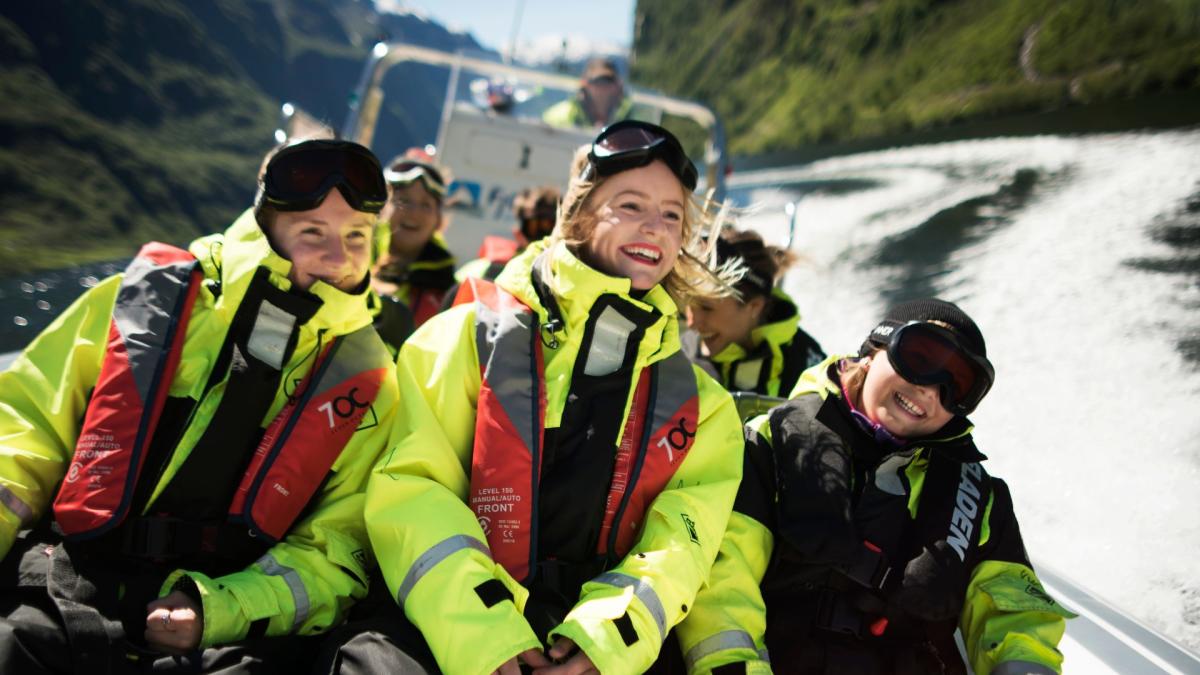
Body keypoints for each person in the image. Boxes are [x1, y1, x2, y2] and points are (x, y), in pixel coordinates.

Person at [358, 120, 747, 674]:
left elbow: (678, 548)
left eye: (671, 215)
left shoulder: (705, 408)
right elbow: (414, 493)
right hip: (447, 629)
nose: (654, 228)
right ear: (579, 214)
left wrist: (604, 644)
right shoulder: (460, 340)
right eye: (631, 206)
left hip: (596, 647)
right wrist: (484, 634)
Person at [0, 138, 400, 673]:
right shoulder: (140, 300)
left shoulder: (373, 383)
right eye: (312, 232)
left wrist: (217, 611)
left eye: (356, 235)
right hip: (68, 574)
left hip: (221, 624)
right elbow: (23, 433)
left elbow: (333, 552)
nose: (338, 257)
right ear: (265, 227)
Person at [675, 299, 1073, 674]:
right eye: (919, 358)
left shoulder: (980, 500)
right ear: (872, 352)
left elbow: (1014, 611)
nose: (930, 389)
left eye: (956, 386)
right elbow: (725, 580)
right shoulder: (768, 443)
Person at [685, 229, 825, 401]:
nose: (691, 323)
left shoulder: (806, 368)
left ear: (754, 306)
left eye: (706, 308)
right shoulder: (680, 352)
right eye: (689, 304)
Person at [371, 149, 457, 329]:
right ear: (383, 207)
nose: (414, 213)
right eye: (404, 201)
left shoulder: (449, 293)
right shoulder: (345, 259)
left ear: (439, 220)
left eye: (426, 205)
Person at [454, 185, 561, 285]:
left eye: (550, 227)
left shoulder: (474, 273)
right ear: (518, 231)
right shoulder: (480, 273)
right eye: (533, 226)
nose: (544, 239)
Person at [543, 57, 643, 130]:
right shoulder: (557, 118)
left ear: (618, 86)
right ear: (584, 84)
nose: (603, 89)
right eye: (597, 81)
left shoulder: (634, 124)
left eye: (608, 81)